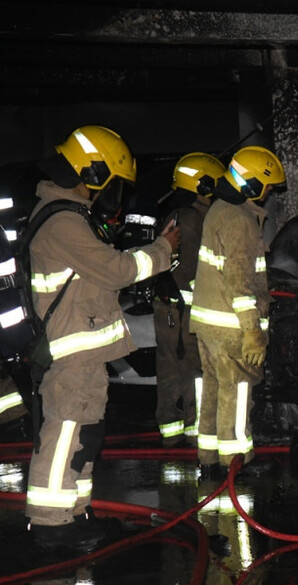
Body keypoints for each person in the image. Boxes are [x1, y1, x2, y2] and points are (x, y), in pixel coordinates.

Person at [25, 125, 180, 549]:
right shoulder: (62, 222)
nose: (113, 195)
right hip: (72, 355)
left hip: (85, 353)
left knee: (84, 438)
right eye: (112, 184)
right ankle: (50, 524)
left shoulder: (72, 216)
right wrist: (163, 249)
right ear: (91, 174)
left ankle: (75, 513)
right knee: (65, 436)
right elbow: (117, 271)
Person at [190, 145, 285, 477]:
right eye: (267, 186)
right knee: (238, 392)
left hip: (208, 323)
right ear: (253, 183)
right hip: (231, 326)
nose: (268, 192)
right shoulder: (240, 219)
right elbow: (239, 280)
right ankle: (236, 463)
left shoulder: (218, 209)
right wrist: (252, 330)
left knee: (215, 391)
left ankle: (209, 460)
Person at [154, 152, 225, 448]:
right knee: (195, 368)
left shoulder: (177, 214)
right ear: (203, 185)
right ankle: (197, 432)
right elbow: (195, 270)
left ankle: (171, 432)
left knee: (170, 366)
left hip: (168, 306)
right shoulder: (194, 219)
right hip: (186, 309)